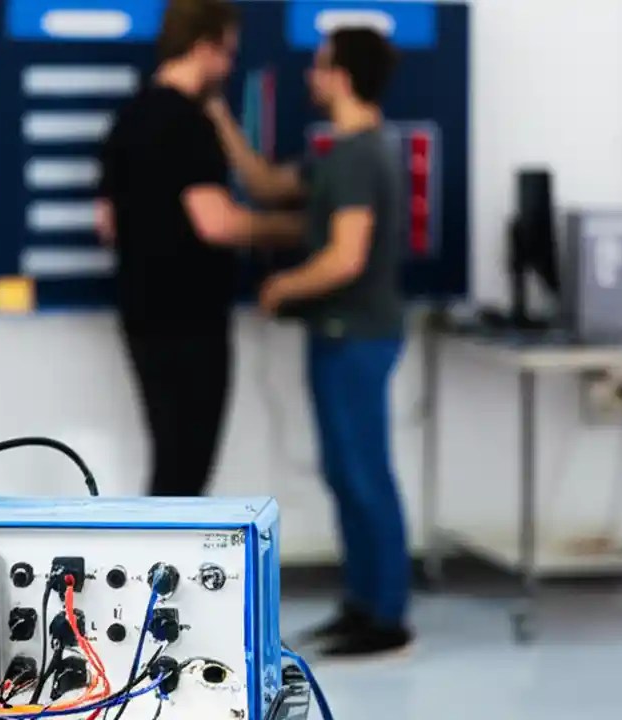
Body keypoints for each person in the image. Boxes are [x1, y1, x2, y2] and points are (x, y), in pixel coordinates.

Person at [206, 27, 412, 657]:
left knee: (363, 474)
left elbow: (345, 256)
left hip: (356, 338)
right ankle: (362, 604)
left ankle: (387, 617)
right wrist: (220, 117)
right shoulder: (346, 153)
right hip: (342, 336)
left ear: (342, 77)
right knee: (346, 473)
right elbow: (270, 187)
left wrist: (282, 287)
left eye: (320, 66)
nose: (310, 76)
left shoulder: (357, 158)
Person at [96, 0, 301, 498]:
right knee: (186, 469)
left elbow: (107, 224)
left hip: (141, 313)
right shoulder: (187, 122)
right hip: (190, 320)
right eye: (227, 53)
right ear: (204, 46)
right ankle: (166, 552)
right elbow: (217, 223)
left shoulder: (129, 117)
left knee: (170, 460)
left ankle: (157, 547)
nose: (229, 67)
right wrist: (295, 230)